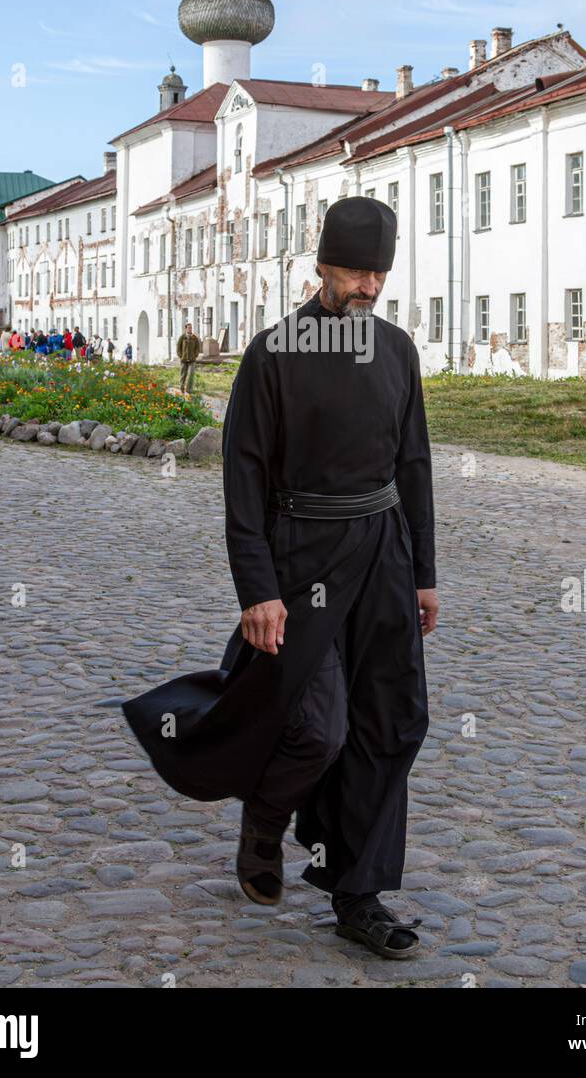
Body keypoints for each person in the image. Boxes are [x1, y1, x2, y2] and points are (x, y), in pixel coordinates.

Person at [123, 197, 438, 960]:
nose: (368, 285)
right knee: (316, 726)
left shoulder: (397, 350)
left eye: (379, 272)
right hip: (303, 558)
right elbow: (245, 479)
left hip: (385, 552)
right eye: (356, 270)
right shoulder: (274, 353)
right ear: (320, 267)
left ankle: (357, 895)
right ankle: (265, 817)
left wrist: (424, 573)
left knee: (393, 722)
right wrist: (256, 590)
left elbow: (415, 464)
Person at [176, 322, 200, 395]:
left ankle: (188, 389)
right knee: (183, 374)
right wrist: (180, 355)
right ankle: (181, 388)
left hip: (192, 359)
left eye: (191, 327)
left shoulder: (194, 337)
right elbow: (178, 347)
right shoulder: (182, 337)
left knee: (191, 374)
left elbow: (197, 347)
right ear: (186, 328)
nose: (190, 329)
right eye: (189, 328)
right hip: (183, 359)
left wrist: (195, 355)